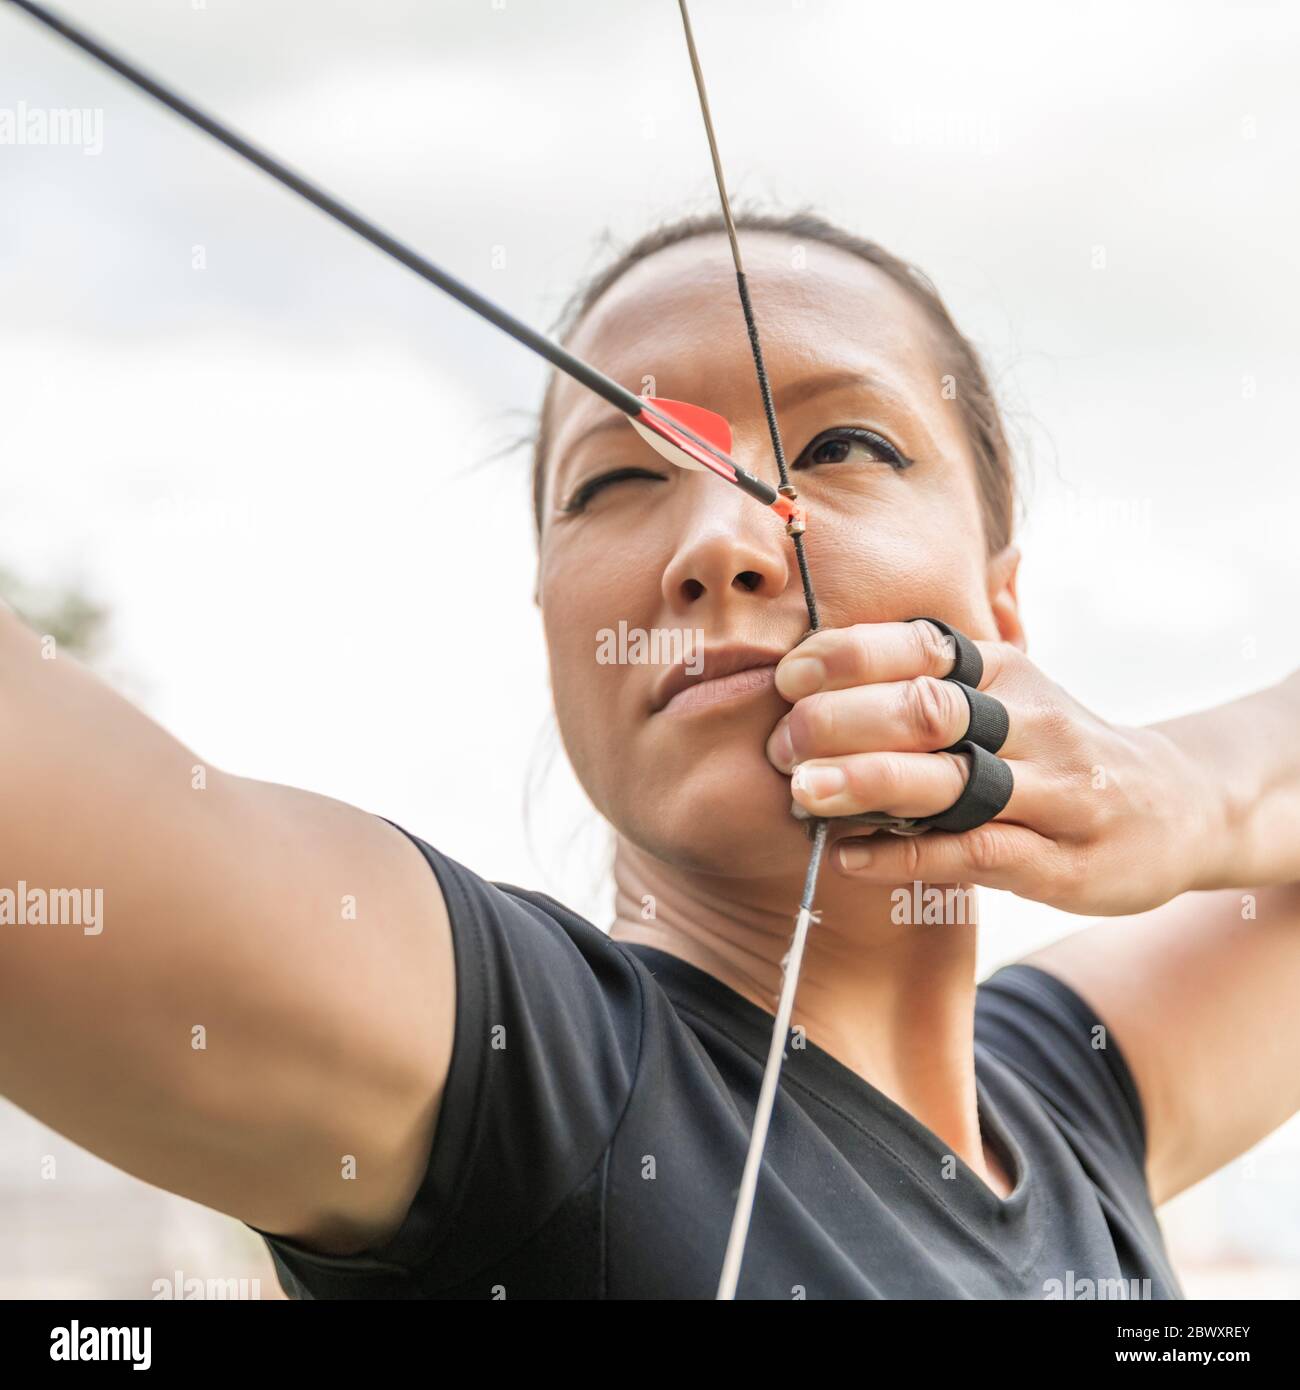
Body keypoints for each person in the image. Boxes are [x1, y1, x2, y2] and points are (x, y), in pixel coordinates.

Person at [3, 210, 1297, 1299]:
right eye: (616, 480)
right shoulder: (527, 1071)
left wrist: (1198, 785)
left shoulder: (1069, 1100)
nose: (720, 541)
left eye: (844, 445)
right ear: (559, 621)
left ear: (1000, 605)